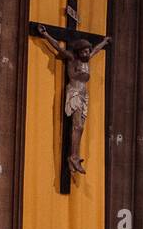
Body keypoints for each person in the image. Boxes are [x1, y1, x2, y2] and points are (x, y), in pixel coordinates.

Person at [36, 27, 110, 175]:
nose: (87, 53)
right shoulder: (72, 59)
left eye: (87, 51)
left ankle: (73, 158)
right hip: (74, 92)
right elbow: (58, 47)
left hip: (84, 94)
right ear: (78, 52)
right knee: (76, 126)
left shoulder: (87, 59)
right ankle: (74, 157)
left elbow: (96, 50)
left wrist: (104, 42)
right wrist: (45, 34)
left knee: (80, 127)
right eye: (83, 51)